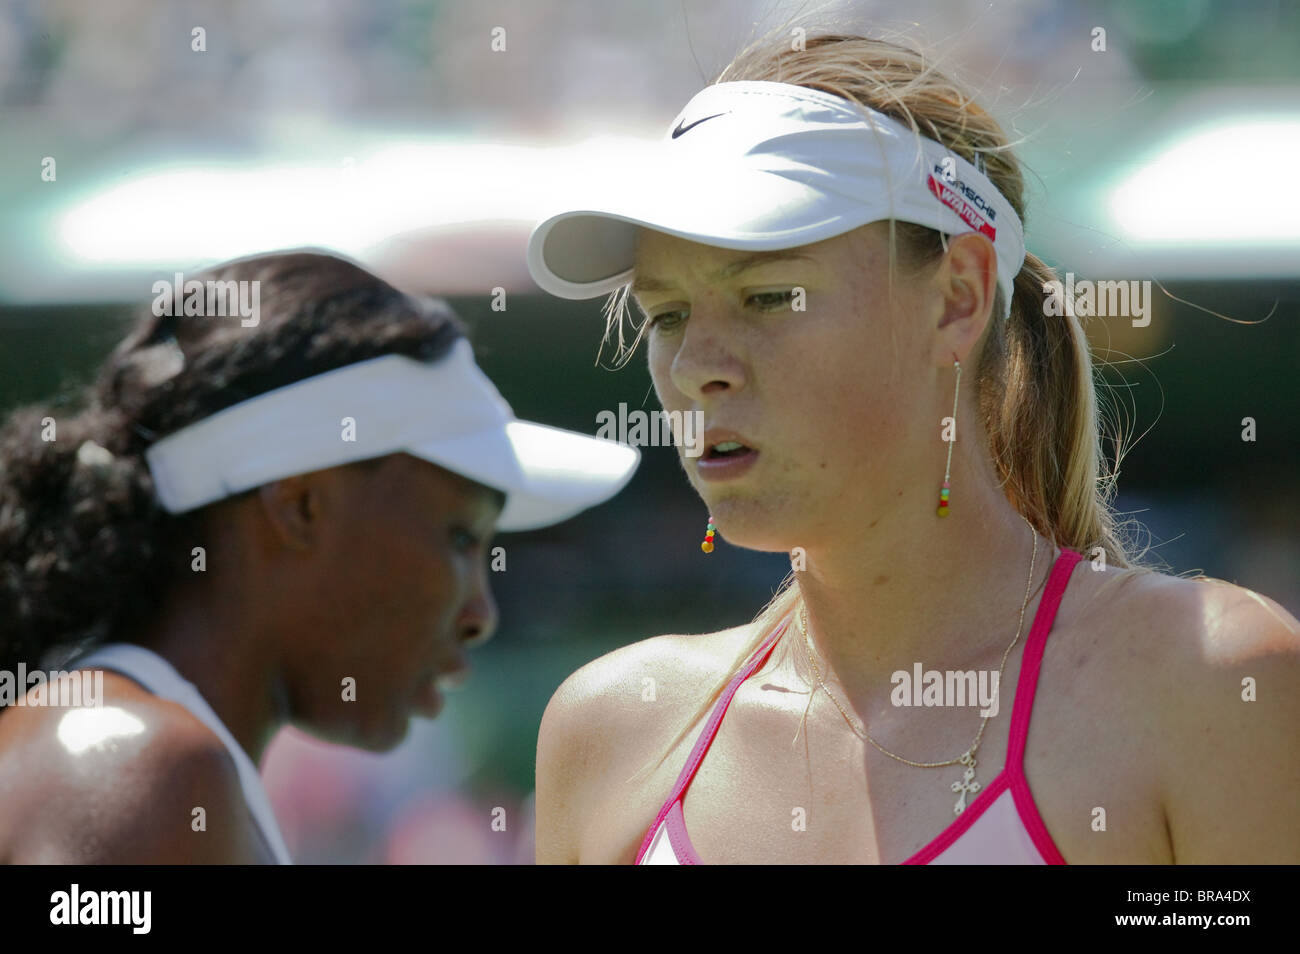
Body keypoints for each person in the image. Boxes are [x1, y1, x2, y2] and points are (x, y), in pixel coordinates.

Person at [527, 32, 1300, 864]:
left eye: (768, 295)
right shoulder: (607, 730)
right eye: (667, 314)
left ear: (957, 301)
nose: (696, 368)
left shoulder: (1212, 679)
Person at [0, 249, 638, 863]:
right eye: (460, 537)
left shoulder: (143, 754)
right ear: (300, 507)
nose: (480, 612)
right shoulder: (139, 761)